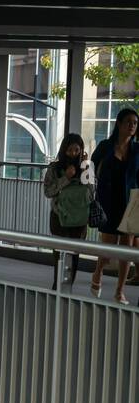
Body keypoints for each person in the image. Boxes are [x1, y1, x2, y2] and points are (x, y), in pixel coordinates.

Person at [89, 107, 139, 303]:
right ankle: (98, 273)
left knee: (127, 248)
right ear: (119, 123)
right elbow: (90, 168)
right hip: (108, 201)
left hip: (131, 202)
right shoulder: (105, 146)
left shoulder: (137, 150)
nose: (132, 126)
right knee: (108, 248)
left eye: (135, 123)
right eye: (128, 122)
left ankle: (119, 291)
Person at [42, 133, 94, 291]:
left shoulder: (86, 167)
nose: (73, 153)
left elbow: (92, 193)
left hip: (79, 219)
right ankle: (57, 285)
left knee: (75, 255)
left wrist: (85, 166)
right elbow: (48, 191)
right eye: (69, 150)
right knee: (59, 254)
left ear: (81, 150)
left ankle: (68, 287)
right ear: (63, 150)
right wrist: (66, 177)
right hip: (59, 217)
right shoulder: (55, 168)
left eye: (76, 150)